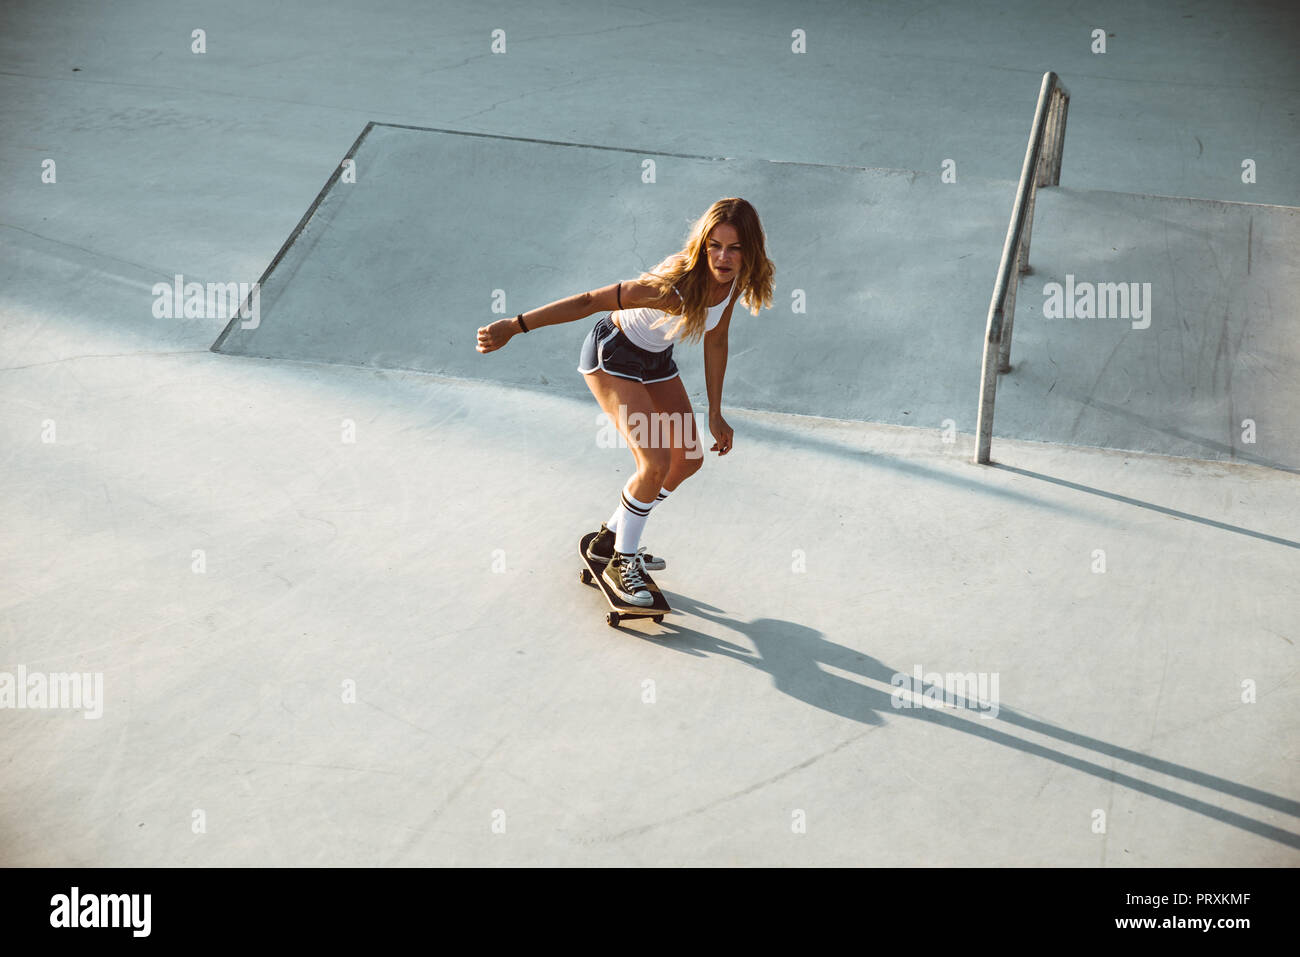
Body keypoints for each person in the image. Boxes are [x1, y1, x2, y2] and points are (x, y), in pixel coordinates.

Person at [476, 198, 774, 606]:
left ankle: (611, 540)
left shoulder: (734, 280)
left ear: (750, 250)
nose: (723, 257)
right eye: (714, 246)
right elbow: (589, 301)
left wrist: (716, 413)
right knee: (654, 463)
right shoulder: (670, 289)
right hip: (613, 355)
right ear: (702, 245)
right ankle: (623, 560)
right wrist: (515, 325)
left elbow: (717, 338)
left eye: (734, 247)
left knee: (687, 458)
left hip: (654, 360)